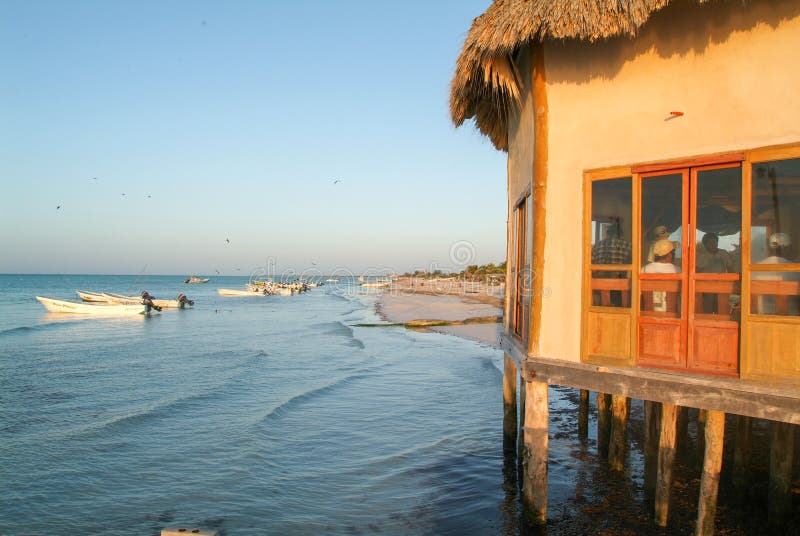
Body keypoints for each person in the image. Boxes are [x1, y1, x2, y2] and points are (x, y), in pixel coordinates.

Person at [752, 232, 799, 315]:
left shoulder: (753, 269)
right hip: (791, 317)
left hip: (759, 315)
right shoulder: (796, 270)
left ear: (769, 248)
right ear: (788, 248)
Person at [695, 233, 737, 314]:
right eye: (710, 243)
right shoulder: (701, 257)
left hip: (722, 287)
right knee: (707, 312)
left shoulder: (723, 253)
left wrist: (733, 284)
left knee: (722, 311)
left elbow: (731, 269)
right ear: (705, 244)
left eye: (714, 242)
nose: (713, 245)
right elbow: (696, 272)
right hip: (706, 289)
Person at [591, 226, 631, 306]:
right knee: (620, 305)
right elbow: (631, 263)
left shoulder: (597, 245)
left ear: (607, 234)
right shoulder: (627, 245)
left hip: (599, 284)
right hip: (619, 285)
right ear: (620, 235)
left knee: (600, 305)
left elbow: (592, 262)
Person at [643, 239, 679, 312]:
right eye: (673, 252)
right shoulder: (677, 270)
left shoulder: (644, 269)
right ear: (669, 255)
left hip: (649, 314)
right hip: (672, 315)